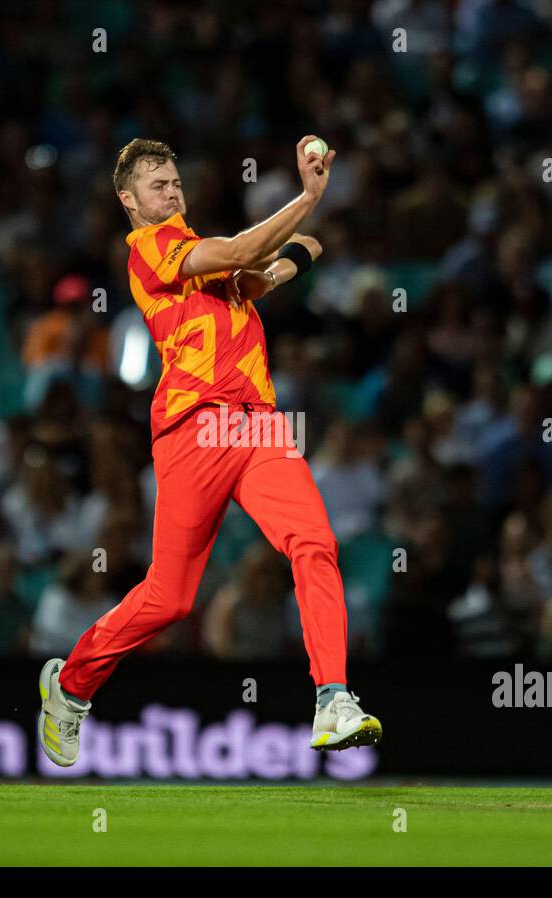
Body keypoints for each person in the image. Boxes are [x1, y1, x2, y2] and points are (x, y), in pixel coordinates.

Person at [37, 136, 382, 766]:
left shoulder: (205, 259)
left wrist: (291, 261)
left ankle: (334, 696)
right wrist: (307, 199)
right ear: (129, 202)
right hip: (193, 428)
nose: (171, 192)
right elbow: (247, 250)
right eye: (156, 186)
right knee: (170, 599)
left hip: (256, 427)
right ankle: (69, 685)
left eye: (174, 182)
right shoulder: (151, 249)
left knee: (315, 544)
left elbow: (262, 270)